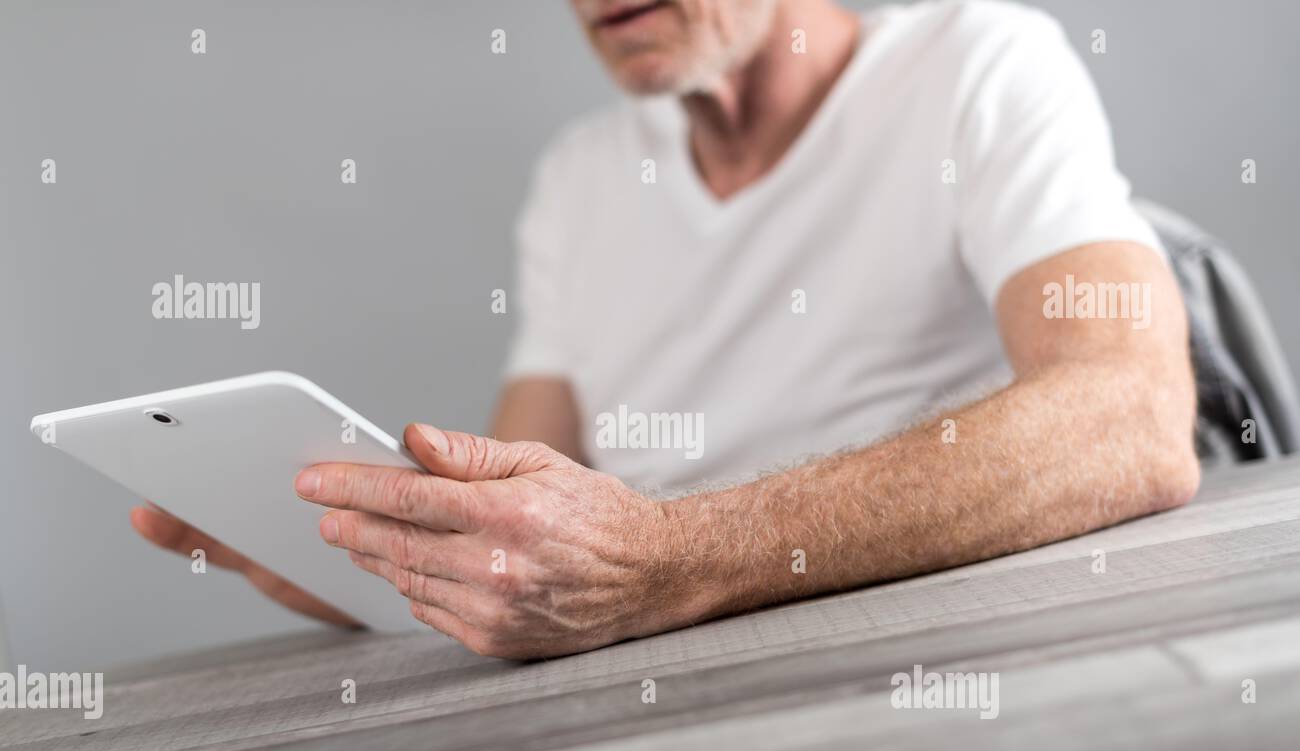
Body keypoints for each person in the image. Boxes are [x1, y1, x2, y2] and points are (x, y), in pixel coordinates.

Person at [132, 0, 1199, 659]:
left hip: (952, 662)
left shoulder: (979, 63)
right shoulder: (579, 179)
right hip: (649, 707)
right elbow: (517, 494)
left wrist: (663, 560)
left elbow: (1131, 415)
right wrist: (354, 548)